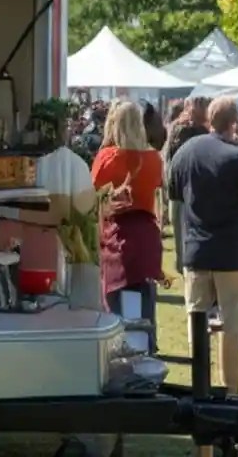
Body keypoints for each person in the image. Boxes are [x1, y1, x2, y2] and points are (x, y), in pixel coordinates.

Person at [168, 97, 238, 395]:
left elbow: (175, 203)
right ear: (234, 123)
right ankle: (230, 390)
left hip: (196, 250)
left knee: (196, 316)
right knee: (232, 322)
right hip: (233, 252)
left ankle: (200, 383)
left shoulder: (186, 152)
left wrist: (178, 250)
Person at [92, 100, 166, 352]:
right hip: (146, 232)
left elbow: (92, 194)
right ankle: (147, 351)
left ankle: (119, 353)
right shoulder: (154, 158)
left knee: (115, 305)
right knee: (145, 298)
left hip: (117, 235)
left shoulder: (108, 157)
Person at [163, 96, 210, 270]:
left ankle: (185, 264)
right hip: (189, 189)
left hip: (183, 188)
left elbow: (169, 159)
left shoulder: (179, 128)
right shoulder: (191, 130)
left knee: (182, 233)